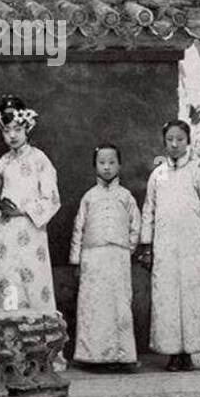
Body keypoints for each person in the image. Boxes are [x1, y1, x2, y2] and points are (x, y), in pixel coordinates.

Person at [137, 119, 200, 371]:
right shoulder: (157, 175)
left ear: (188, 142)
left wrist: (194, 216)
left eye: (180, 140)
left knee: (190, 296)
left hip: (189, 247)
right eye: (170, 140)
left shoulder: (195, 173)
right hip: (163, 247)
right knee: (167, 298)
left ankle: (189, 352)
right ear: (164, 142)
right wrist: (146, 243)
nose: (175, 144)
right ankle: (172, 352)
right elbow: (148, 211)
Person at [0, 95, 60, 313]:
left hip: (32, 233)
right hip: (6, 237)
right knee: (9, 287)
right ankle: (8, 343)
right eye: (6, 131)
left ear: (27, 128)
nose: (12, 135)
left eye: (16, 129)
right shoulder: (1, 165)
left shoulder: (40, 160)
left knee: (35, 287)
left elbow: (52, 199)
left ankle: (39, 344)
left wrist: (22, 211)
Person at [69, 143, 141, 370]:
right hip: (93, 258)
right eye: (102, 163)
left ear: (119, 164)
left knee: (119, 305)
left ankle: (122, 356)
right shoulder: (89, 197)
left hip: (118, 257)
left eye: (111, 162)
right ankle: (93, 356)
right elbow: (78, 229)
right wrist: (77, 260)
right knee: (94, 306)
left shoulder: (126, 196)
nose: (107, 167)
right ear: (94, 166)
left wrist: (126, 250)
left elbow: (135, 226)